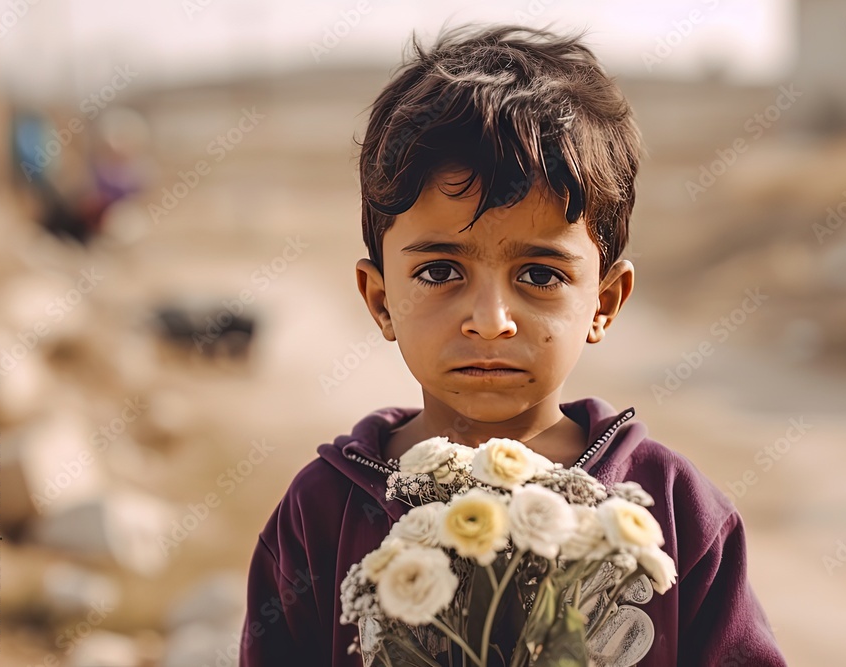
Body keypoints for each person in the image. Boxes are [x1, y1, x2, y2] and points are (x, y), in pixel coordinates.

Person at [239, 24, 787, 666]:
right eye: (440, 271)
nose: (492, 320)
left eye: (540, 275)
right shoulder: (322, 515)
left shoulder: (671, 510)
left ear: (604, 302)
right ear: (381, 298)